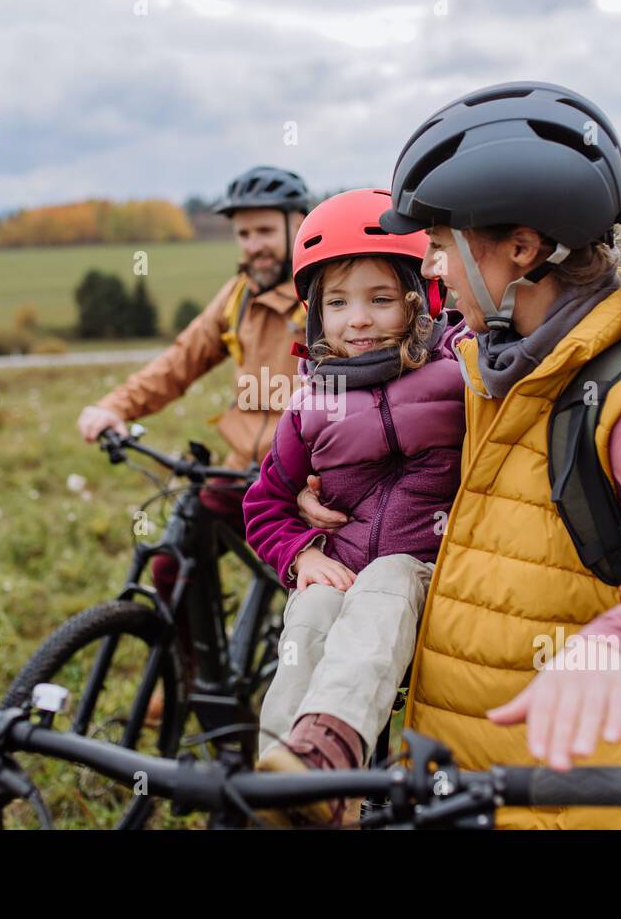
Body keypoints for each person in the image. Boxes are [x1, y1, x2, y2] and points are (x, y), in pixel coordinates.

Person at [299, 82, 621, 829]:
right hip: (458, 786)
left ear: (522, 250)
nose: (432, 270)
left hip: (591, 807)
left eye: (441, 245)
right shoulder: (490, 368)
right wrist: (318, 497)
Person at [242, 189, 469, 826]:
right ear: (315, 316)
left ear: (421, 302)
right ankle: (286, 781)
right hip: (342, 572)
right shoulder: (311, 404)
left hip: (429, 574)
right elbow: (265, 505)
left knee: (386, 578)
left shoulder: (460, 374)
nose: (358, 319)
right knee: (312, 606)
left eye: (380, 298)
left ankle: (328, 758)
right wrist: (301, 555)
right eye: (337, 303)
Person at [77, 166, 311, 717]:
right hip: (241, 470)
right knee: (172, 561)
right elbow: (180, 360)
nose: (253, 246)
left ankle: (314, 721)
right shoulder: (237, 298)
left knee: (312, 599)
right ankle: (189, 676)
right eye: (243, 234)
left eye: (264, 232)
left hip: (308, 481)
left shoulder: (324, 296)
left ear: (297, 226)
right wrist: (115, 407)